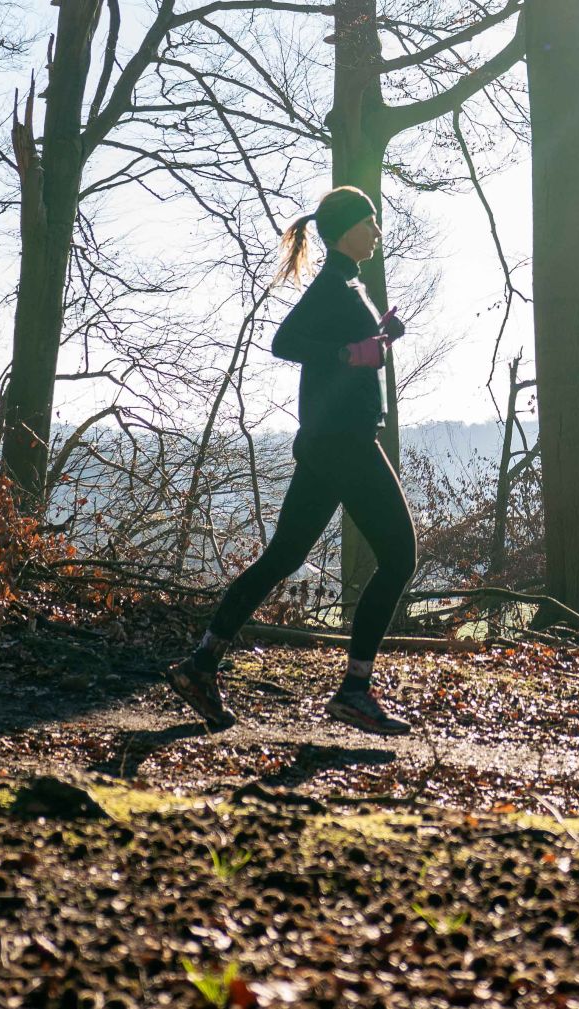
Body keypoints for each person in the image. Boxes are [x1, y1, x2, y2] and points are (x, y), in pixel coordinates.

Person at [163, 186, 416, 737]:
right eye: (370, 222)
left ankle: (201, 665)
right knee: (400, 556)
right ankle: (354, 692)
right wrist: (350, 352)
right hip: (345, 444)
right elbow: (285, 342)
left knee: (282, 557)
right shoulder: (332, 284)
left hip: (329, 442)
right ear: (345, 229)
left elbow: (349, 353)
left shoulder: (351, 284)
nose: (377, 231)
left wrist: (379, 338)